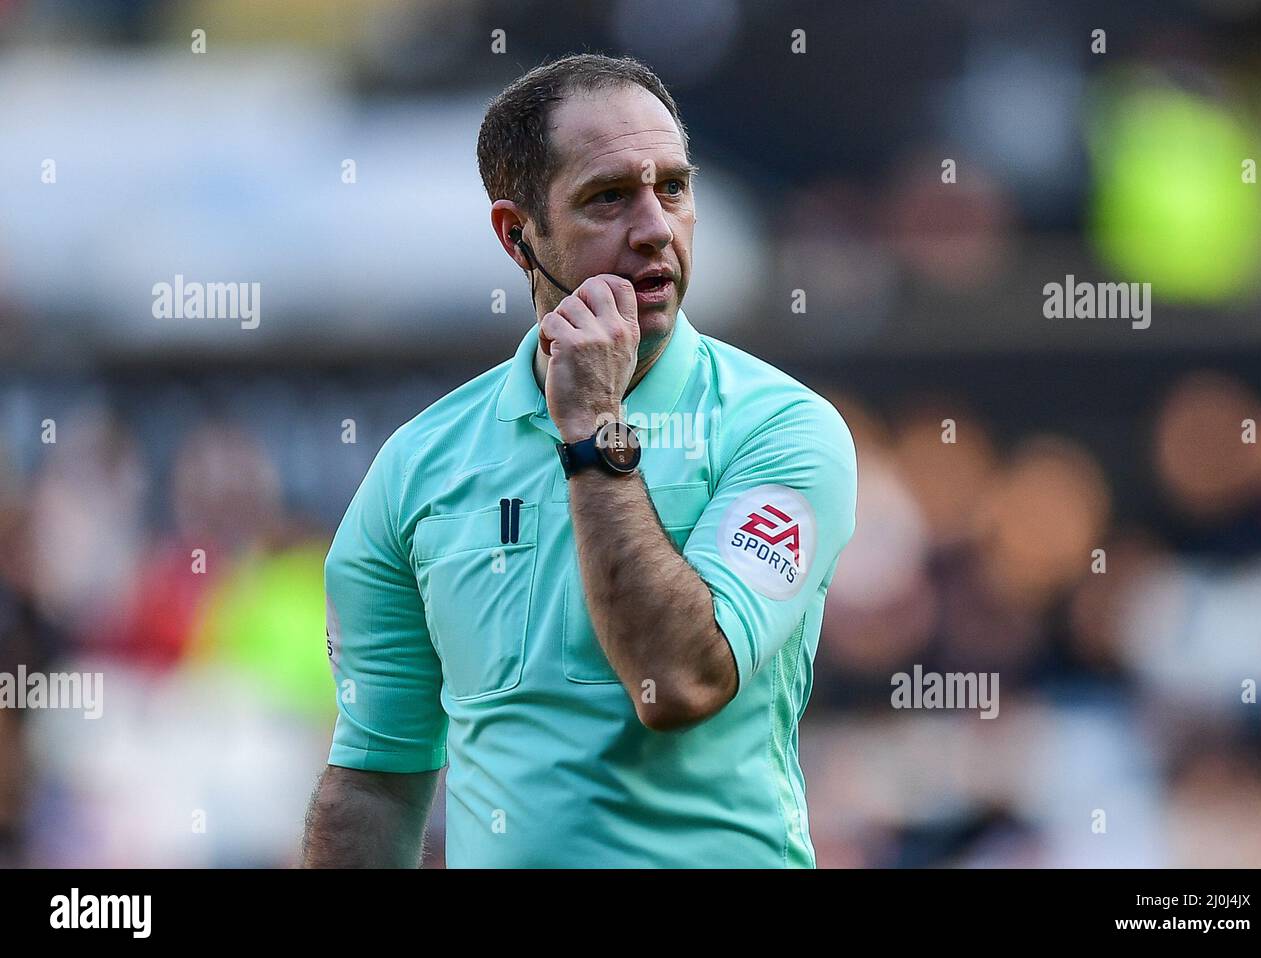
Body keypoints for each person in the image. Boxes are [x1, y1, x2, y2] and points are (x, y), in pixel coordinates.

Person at [302, 53, 857, 868]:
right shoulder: (416, 466)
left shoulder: (780, 428)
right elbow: (375, 781)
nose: (655, 227)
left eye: (674, 187)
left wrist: (594, 430)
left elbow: (679, 681)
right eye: (609, 197)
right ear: (518, 235)